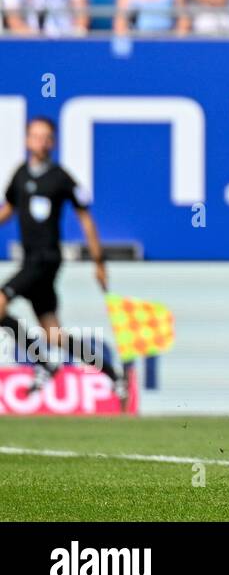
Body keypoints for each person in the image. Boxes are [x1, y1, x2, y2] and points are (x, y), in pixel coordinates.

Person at [0, 117, 124, 405]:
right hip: (30, 260)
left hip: (46, 259)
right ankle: (112, 372)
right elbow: (10, 208)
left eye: (46, 137)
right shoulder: (20, 175)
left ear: (52, 142)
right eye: (35, 136)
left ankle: (43, 362)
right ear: (26, 140)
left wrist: (99, 261)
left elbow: (85, 217)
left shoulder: (60, 178)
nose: (40, 142)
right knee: (55, 334)